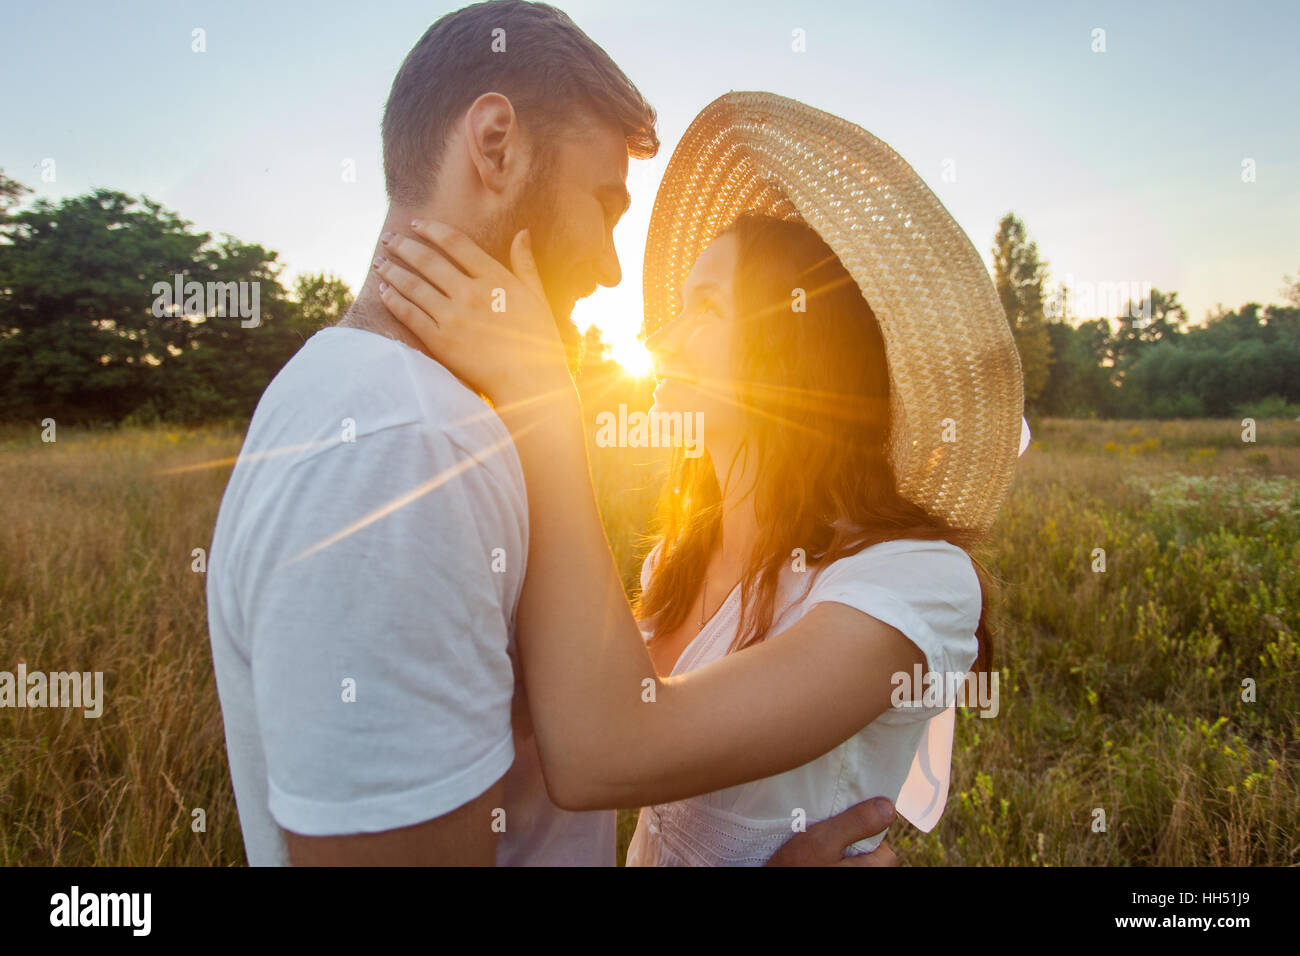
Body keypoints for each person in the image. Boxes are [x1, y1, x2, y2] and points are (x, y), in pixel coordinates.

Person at [206, 3, 894, 866]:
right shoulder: (403, 440)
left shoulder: (405, 411)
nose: (612, 268)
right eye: (606, 206)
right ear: (495, 145)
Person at [374, 91, 1030, 864]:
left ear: (799, 352)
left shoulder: (916, 581)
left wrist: (540, 399)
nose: (663, 338)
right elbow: (561, 724)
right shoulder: (679, 558)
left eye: (707, 308)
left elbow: (601, 753)